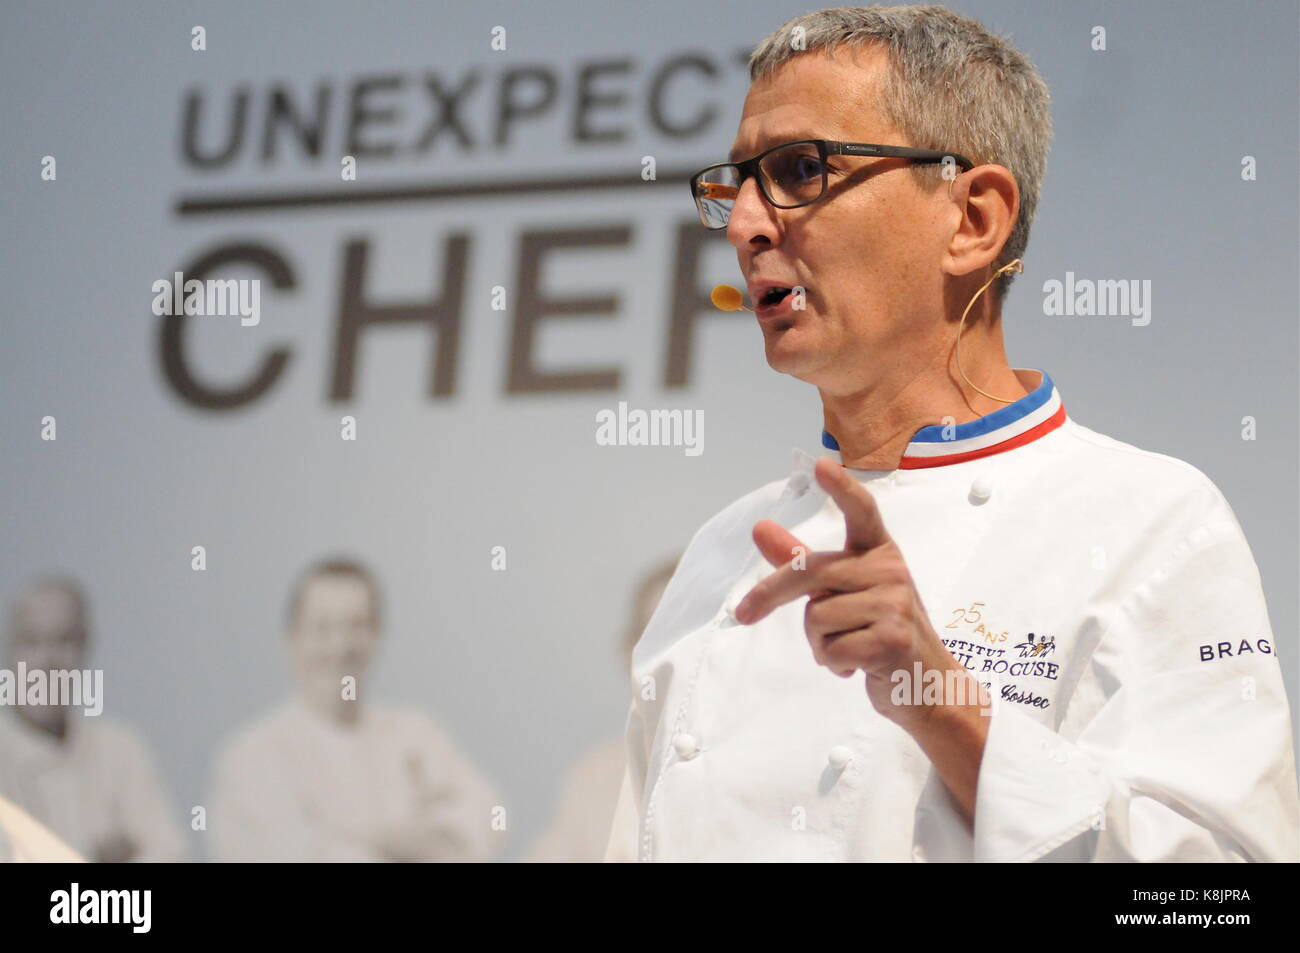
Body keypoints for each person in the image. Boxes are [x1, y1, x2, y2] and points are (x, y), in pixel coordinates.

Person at [606, 5, 1298, 862]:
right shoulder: (718, 559)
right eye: (736, 185)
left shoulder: (1151, 521)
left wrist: (942, 703)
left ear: (973, 219)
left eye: (799, 168)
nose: (747, 226)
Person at [210, 558, 504, 862]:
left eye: (356, 626)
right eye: (322, 628)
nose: (340, 646)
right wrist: (408, 840)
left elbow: (487, 819)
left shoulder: (416, 733)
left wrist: (358, 835)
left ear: (377, 636)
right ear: (291, 638)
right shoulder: (253, 757)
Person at [0, 575, 188, 863]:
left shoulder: (122, 748)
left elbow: (170, 854)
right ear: (10, 650)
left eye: (63, 641)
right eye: (31, 641)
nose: (46, 661)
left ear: (85, 647)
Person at [525, 558, 676, 862]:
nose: (674, 658)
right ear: (627, 652)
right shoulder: (594, 776)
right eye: (654, 637)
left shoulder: (767, 762)